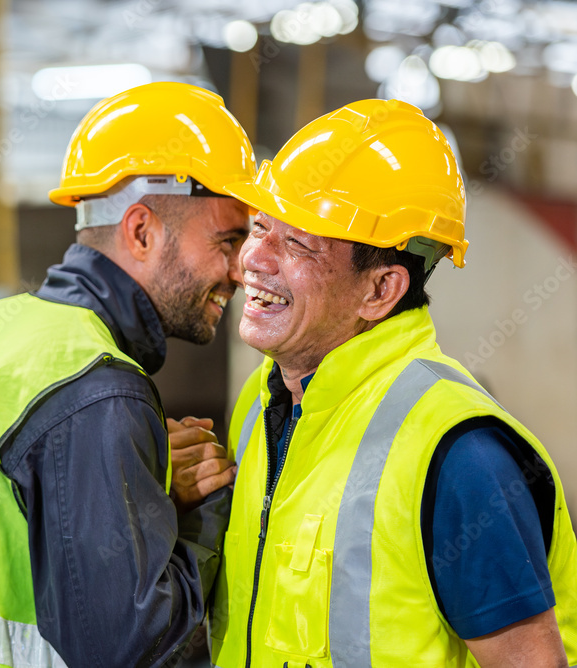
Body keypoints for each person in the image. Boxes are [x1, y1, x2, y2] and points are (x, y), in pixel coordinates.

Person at [0, 81, 257, 667]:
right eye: (228, 241)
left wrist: (141, 498)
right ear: (141, 231)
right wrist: (197, 514)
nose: (241, 271)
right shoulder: (98, 389)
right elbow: (130, 651)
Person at [209, 99, 577, 667]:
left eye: (299, 243)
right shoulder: (264, 408)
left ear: (380, 290)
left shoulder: (460, 456)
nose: (255, 257)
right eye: (261, 227)